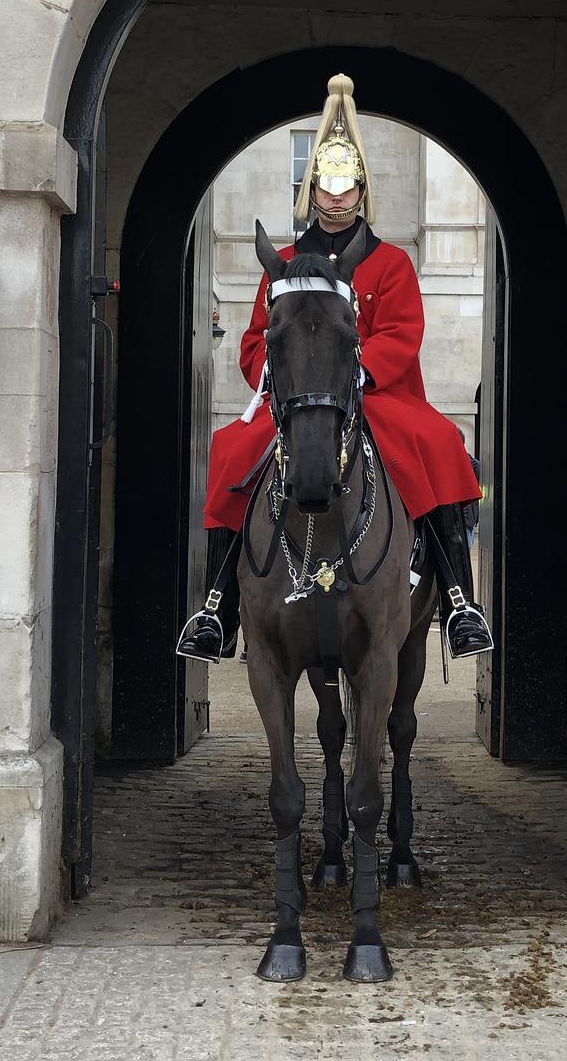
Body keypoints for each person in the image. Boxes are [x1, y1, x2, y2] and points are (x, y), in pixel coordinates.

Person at [176, 74, 493, 665]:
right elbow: (254, 340)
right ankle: (218, 607)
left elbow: (403, 333)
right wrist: (276, 376)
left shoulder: (392, 262)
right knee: (228, 449)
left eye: (348, 188)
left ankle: (456, 600)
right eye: (327, 186)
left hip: (376, 393)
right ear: (313, 190)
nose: (337, 197)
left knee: (441, 440)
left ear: (361, 191)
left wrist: (357, 373)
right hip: (297, 396)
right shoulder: (287, 265)